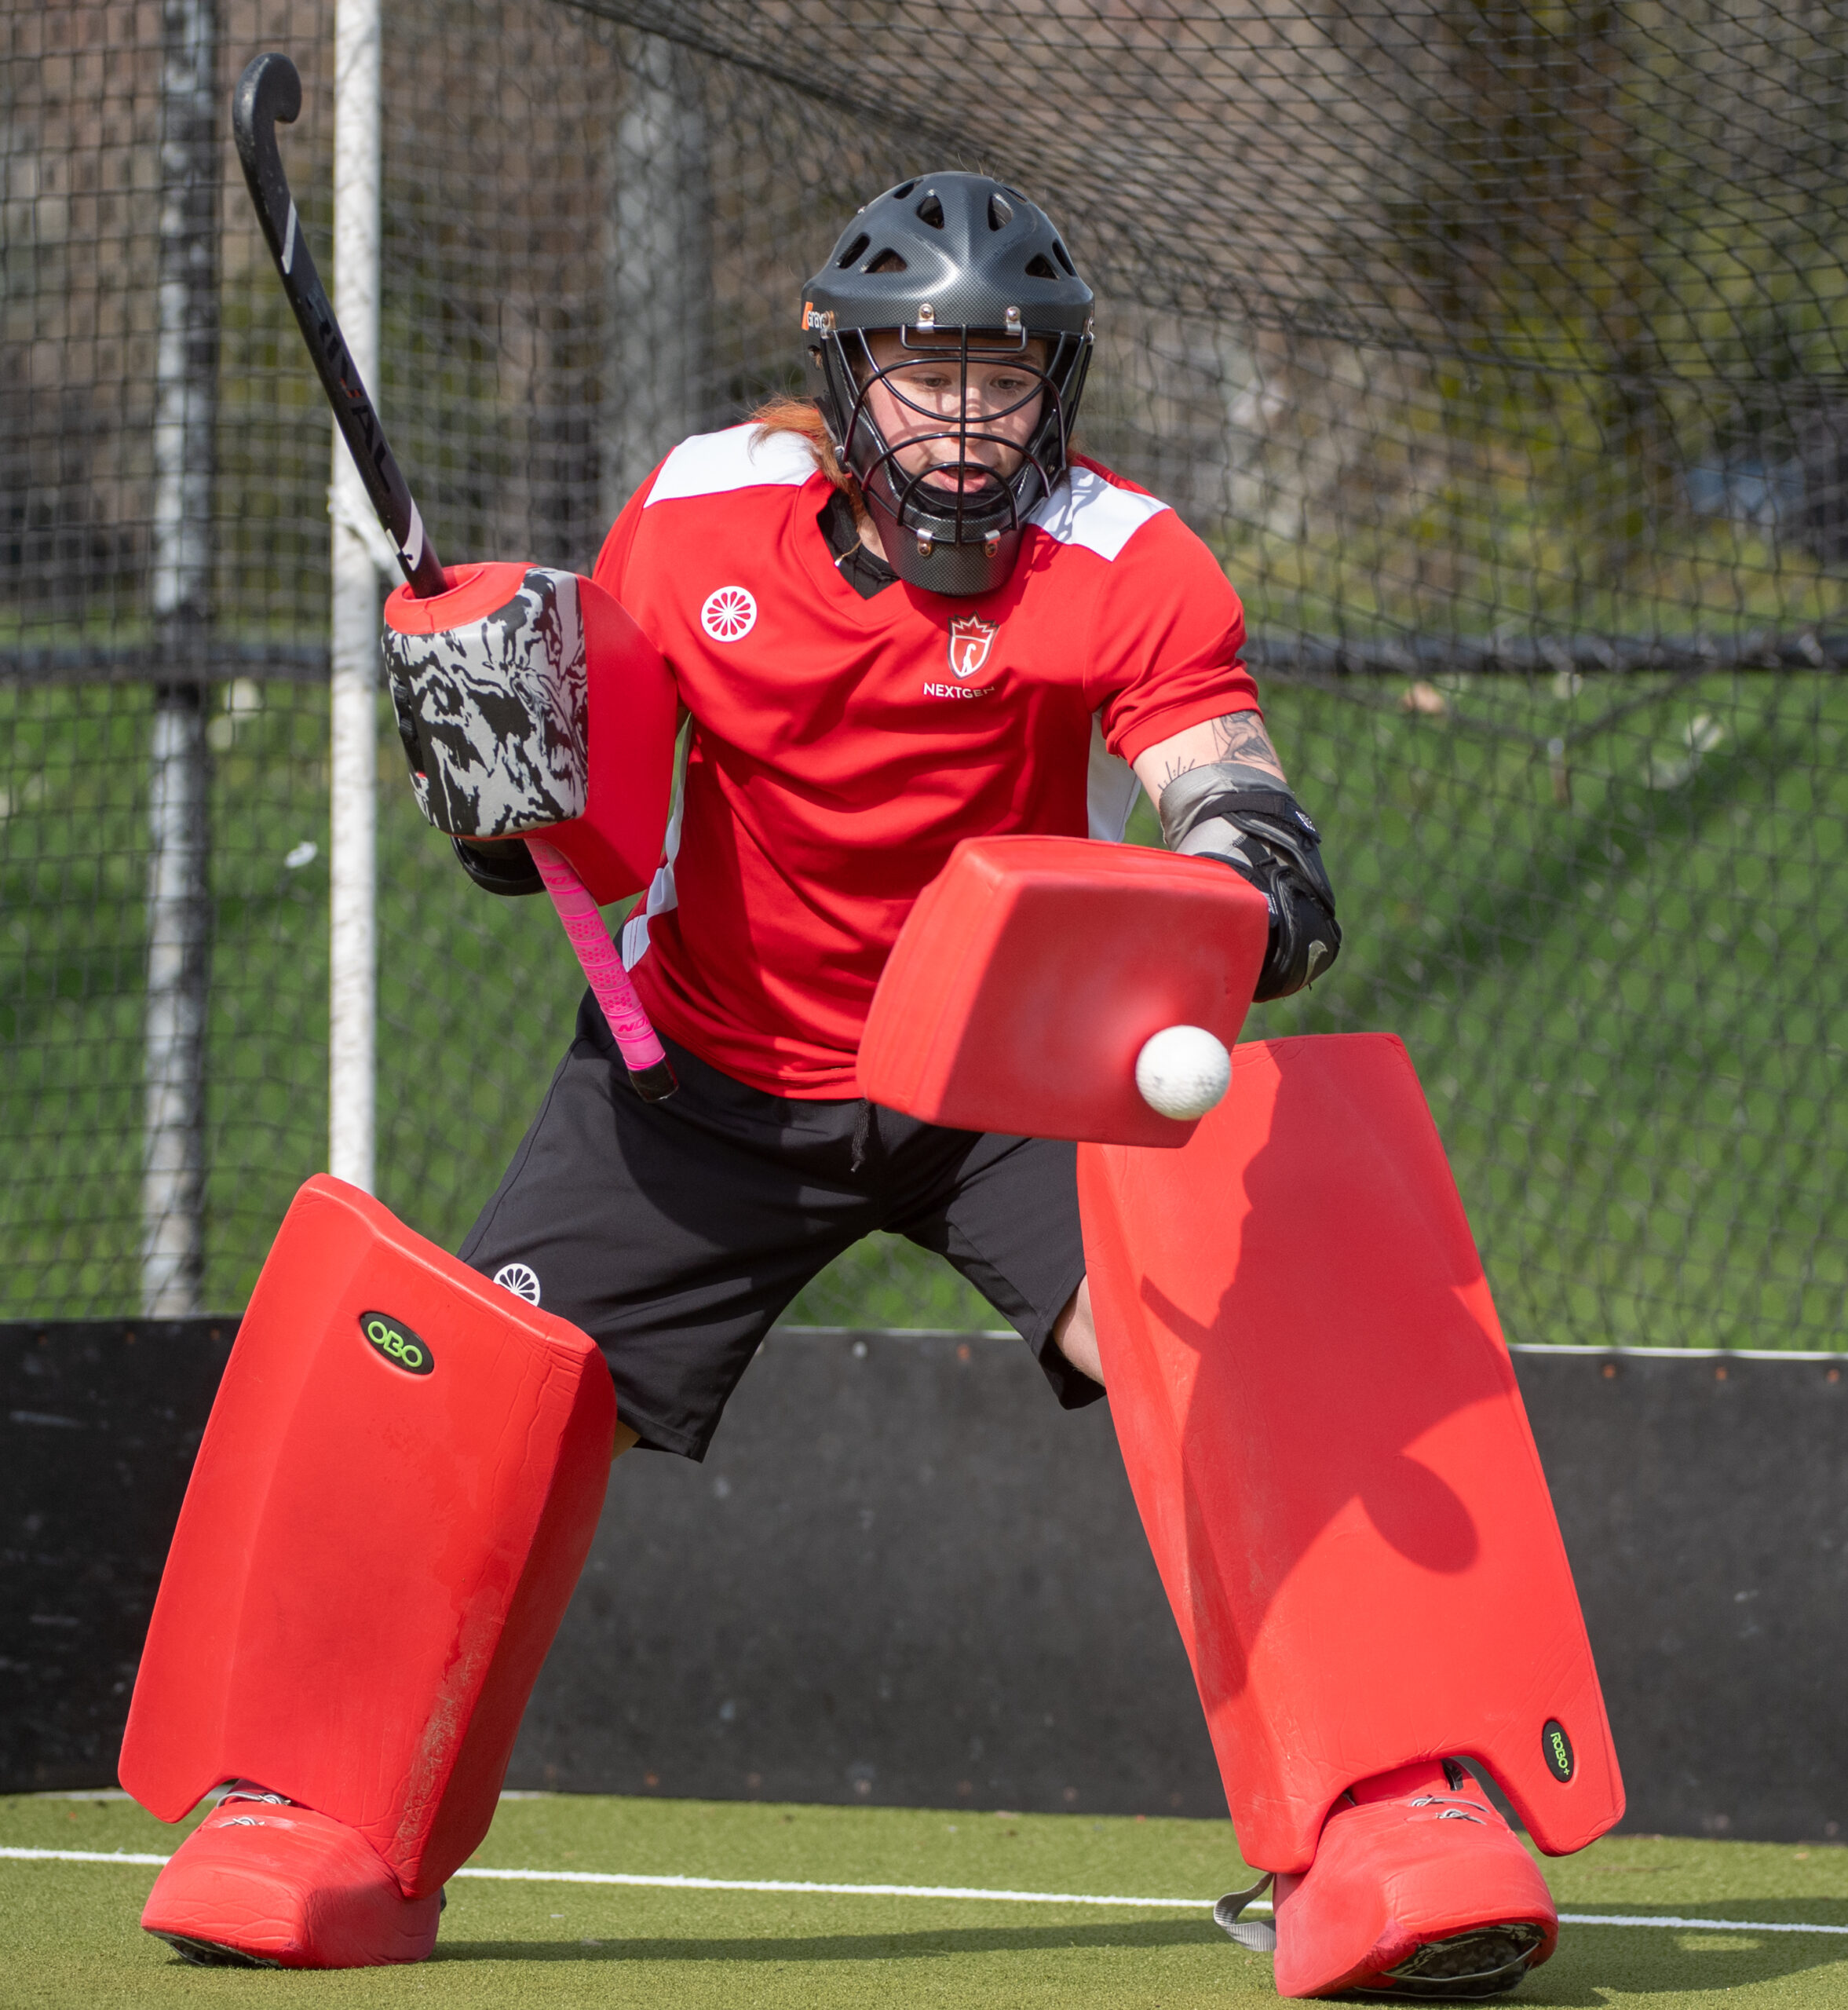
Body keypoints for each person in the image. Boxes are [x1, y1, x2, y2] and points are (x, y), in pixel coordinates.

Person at [450, 171, 1339, 1462]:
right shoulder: (702, 519)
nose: (967, 420)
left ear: (1060, 385)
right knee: (492, 1440)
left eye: (1005, 377)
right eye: (927, 377)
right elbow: (589, 820)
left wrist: (1240, 885)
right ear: (846, 374)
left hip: (1008, 1078)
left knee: (1221, 1391)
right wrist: (500, 790)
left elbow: (1234, 798)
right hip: (707, 1083)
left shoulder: (1129, 562)